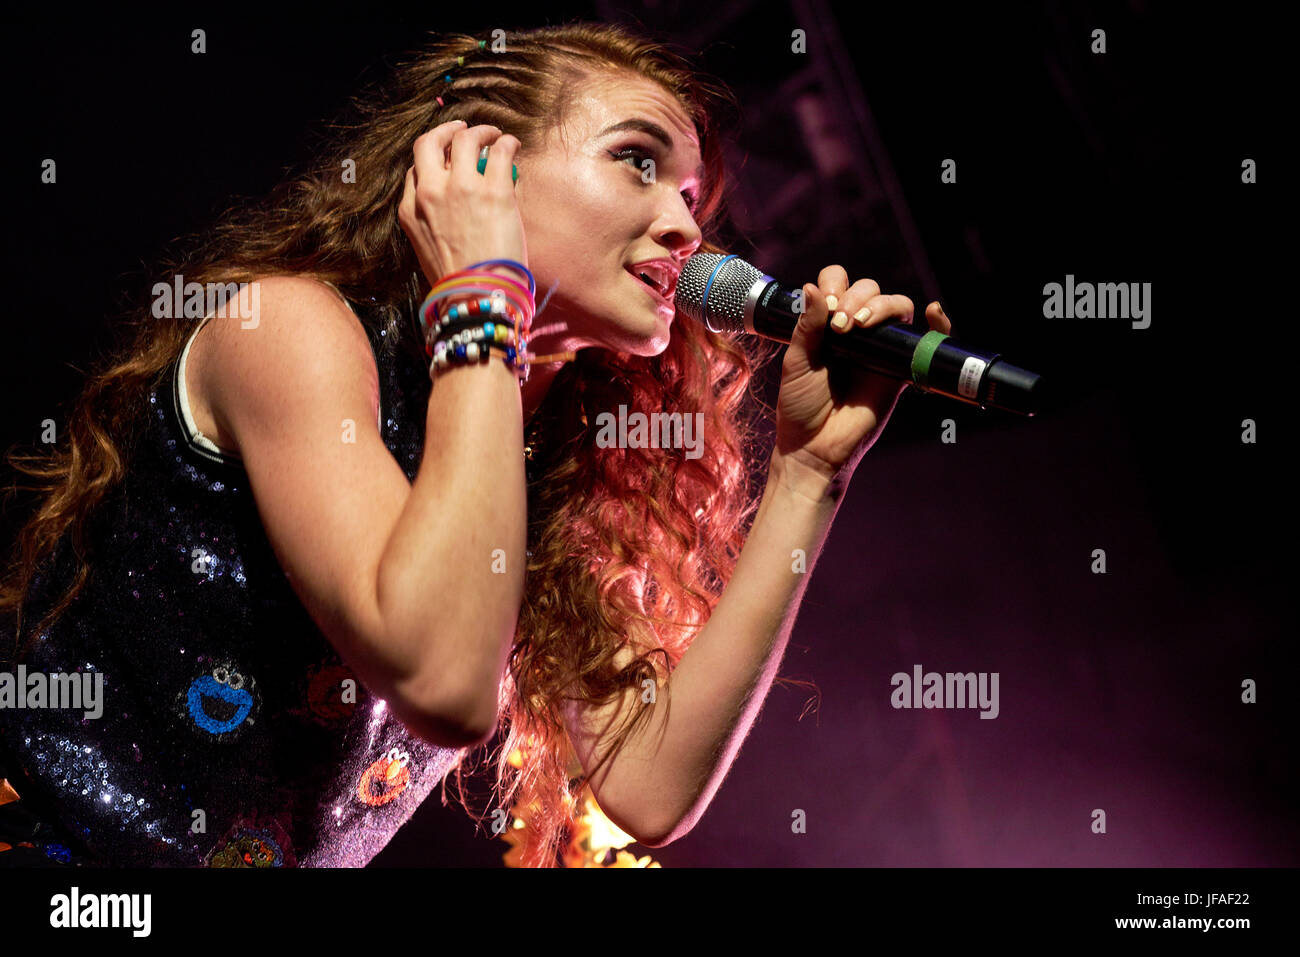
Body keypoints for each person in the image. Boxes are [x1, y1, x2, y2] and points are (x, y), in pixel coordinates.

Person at [0, 21, 952, 868]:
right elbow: (443, 677)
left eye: (693, 194)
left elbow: (651, 787)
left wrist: (809, 471)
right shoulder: (285, 331)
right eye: (637, 160)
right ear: (478, 164)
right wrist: (483, 296)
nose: (683, 226)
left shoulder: (548, 461)